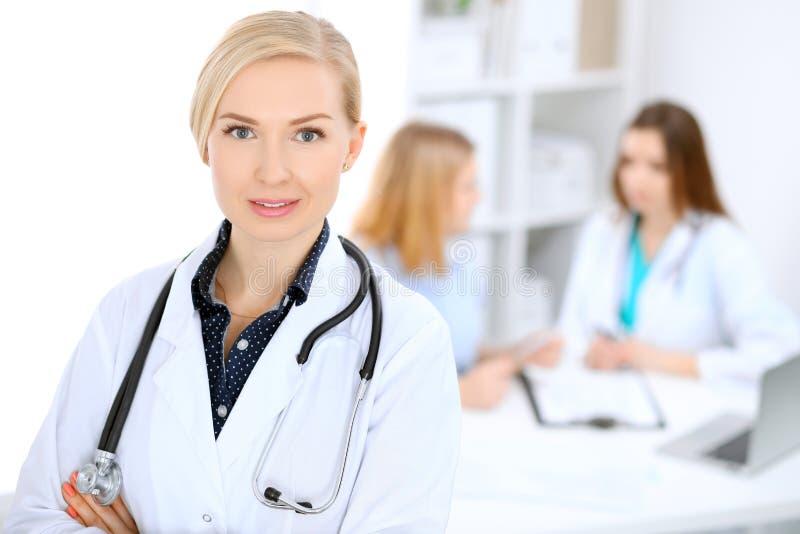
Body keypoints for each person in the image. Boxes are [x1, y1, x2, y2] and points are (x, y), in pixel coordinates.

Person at [6, 11, 461, 533]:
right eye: (241, 131)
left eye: (307, 134)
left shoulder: (407, 341)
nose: (272, 170)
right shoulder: (128, 313)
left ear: (352, 147)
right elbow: (33, 520)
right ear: (205, 140)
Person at [557, 100, 800, 384]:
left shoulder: (721, 243)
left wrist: (661, 360)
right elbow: (569, 330)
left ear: (688, 169)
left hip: (687, 403)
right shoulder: (603, 229)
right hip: (602, 394)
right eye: (628, 162)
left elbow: (779, 352)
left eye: (657, 167)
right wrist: (588, 350)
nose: (637, 179)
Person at [351, 121, 562, 410]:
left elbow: (458, 354)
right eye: (468, 186)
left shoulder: (455, 261)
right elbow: (357, 392)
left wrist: (516, 356)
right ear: (430, 194)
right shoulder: (365, 270)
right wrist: (459, 394)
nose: (478, 197)